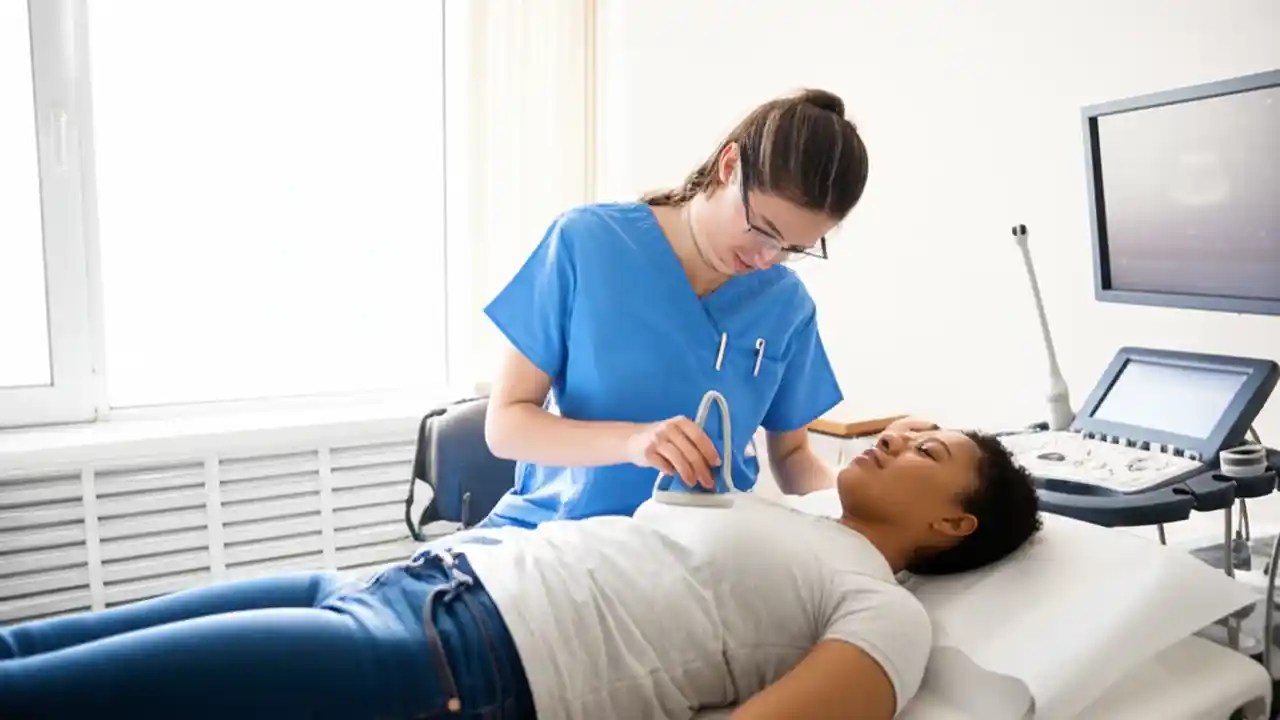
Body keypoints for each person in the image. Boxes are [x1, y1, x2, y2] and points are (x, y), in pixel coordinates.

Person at [0, 425, 1041, 720]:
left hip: (447, 659)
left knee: (37, 695)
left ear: (953, 522)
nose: (893, 440)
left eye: (926, 450)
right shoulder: (786, 516)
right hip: (395, 585)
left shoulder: (881, 613)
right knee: (27, 646)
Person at [480, 87, 874, 528]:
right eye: (763, 229)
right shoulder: (587, 243)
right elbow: (506, 426)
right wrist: (633, 442)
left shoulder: (786, 305)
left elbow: (793, 458)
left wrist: (877, 492)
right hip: (555, 533)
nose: (767, 258)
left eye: (792, 248)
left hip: (699, 549)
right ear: (730, 166)